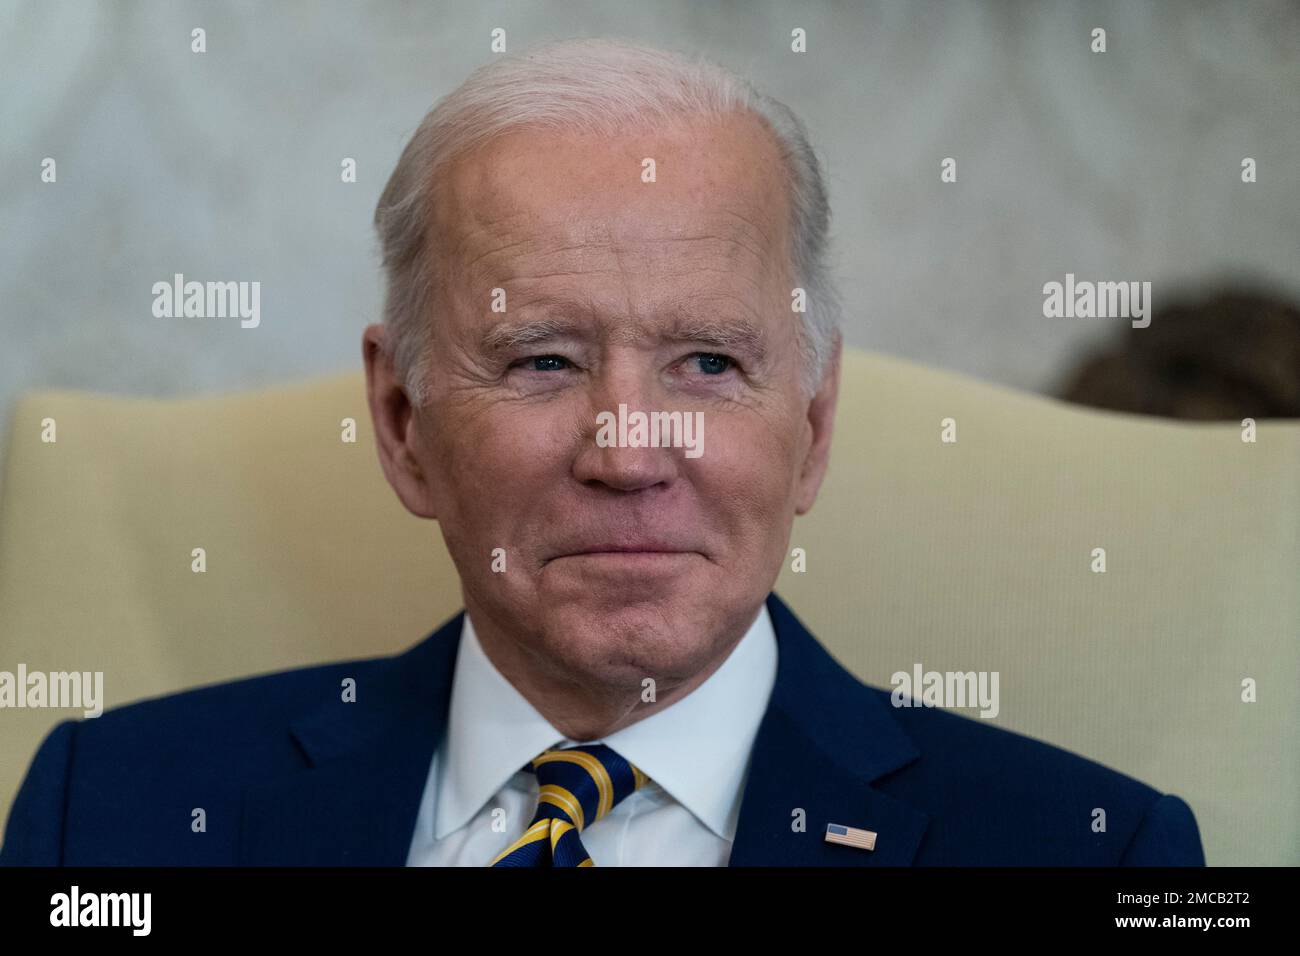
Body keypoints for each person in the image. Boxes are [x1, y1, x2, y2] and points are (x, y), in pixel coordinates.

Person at [0, 37, 1204, 867]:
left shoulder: (1093, 849)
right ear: (405, 423)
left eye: (709, 364)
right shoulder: (110, 813)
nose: (629, 452)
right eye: (542, 360)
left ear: (815, 427)